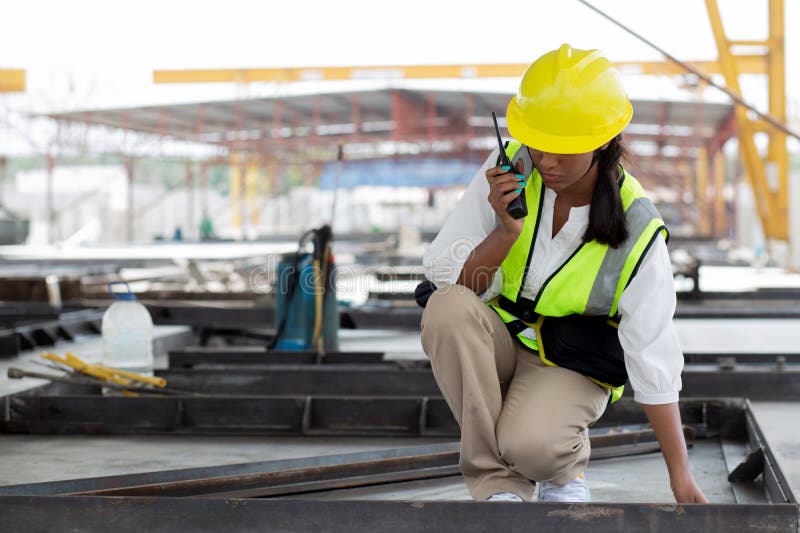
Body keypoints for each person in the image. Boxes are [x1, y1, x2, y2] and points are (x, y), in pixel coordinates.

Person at [420, 44, 708, 504]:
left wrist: (680, 476)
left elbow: (652, 354)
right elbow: (450, 282)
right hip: (498, 341)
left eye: (564, 149)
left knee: (533, 448)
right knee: (446, 309)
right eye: (539, 142)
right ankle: (498, 484)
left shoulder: (638, 226)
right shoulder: (508, 173)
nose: (547, 161)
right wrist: (505, 231)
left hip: (571, 361)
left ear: (602, 141)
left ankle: (562, 466)